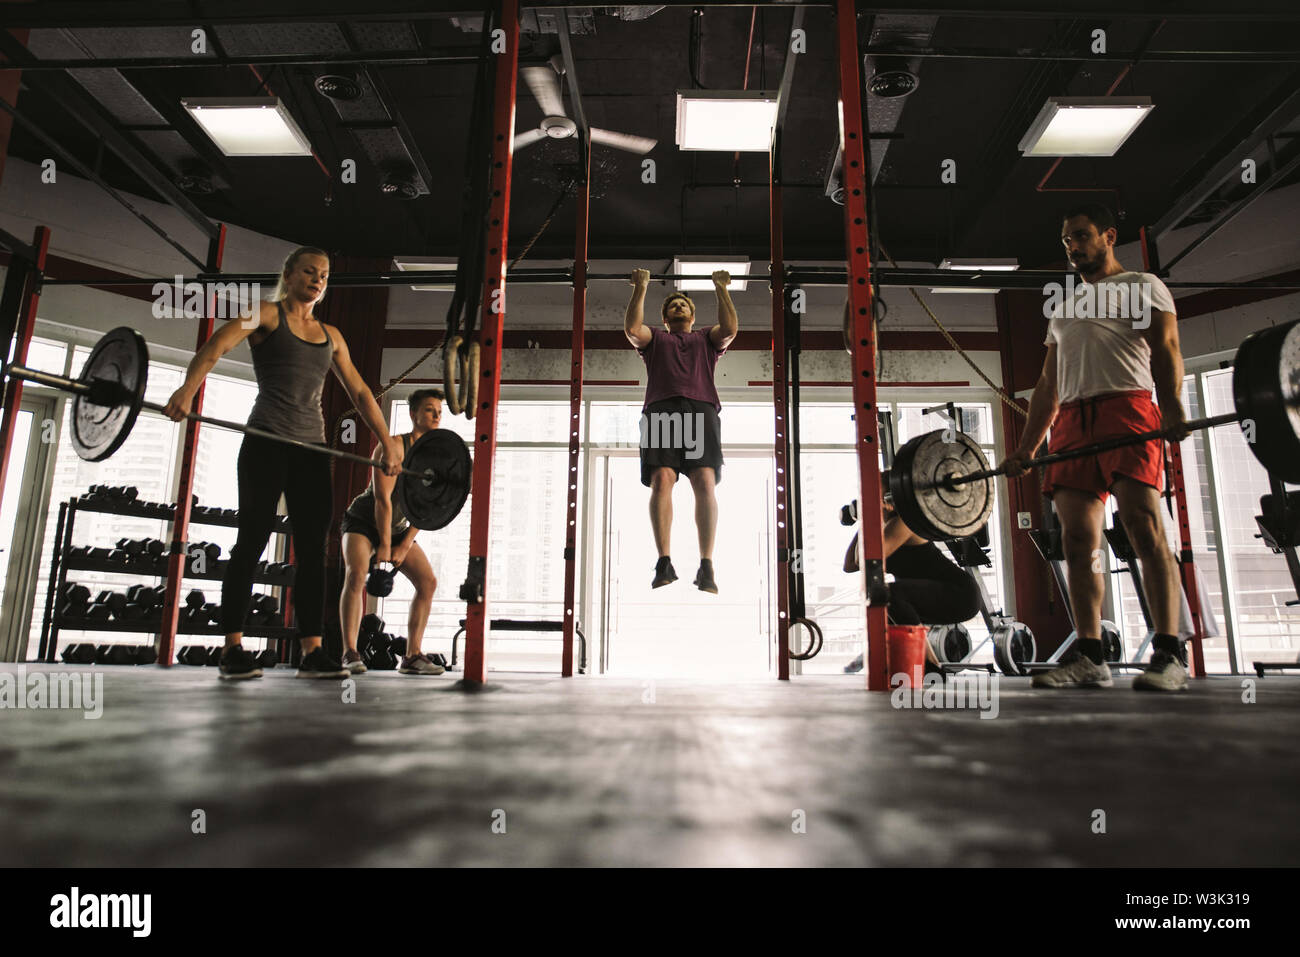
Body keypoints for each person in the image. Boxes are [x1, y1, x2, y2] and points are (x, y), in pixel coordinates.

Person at [163, 247, 404, 681]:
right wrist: (187, 390)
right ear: (289, 274)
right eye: (310, 271)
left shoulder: (331, 335)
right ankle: (233, 649)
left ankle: (311, 651)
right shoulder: (265, 315)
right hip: (266, 442)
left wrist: (388, 442)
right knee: (252, 540)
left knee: (314, 551)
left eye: (325, 275)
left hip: (311, 450)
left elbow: (361, 392)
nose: (318, 280)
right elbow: (217, 346)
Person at [1002, 203, 1189, 692]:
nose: (1073, 247)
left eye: (1082, 236)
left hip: (1125, 410)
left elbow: (1166, 347)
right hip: (1072, 424)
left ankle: (1170, 654)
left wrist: (1171, 408)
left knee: (1143, 528)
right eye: (1067, 241)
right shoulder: (1064, 307)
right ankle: (1091, 656)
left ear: (1108, 236)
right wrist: (1027, 448)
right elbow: (1048, 384)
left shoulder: (1141, 286)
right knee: (1077, 542)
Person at [624, 267, 737, 593]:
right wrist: (640, 287)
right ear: (664, 316)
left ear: (691, 313)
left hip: (701, 410)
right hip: (661, 410)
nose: (678, 306)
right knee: (662, 479)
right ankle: (664, 561)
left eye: (683, 304)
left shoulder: (705, 339)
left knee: (705, 481)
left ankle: (706, 564)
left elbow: (729, 328)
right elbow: (633, 329)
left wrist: (721, 288)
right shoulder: (656, 339)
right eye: (672, 304)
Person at [338, 389, 445, 676]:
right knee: (357, 574)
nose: (435, 415)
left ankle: (412, 656)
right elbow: (382, 500)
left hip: (398, 528)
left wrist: (404, 544)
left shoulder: (436, 459)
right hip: (364, 521)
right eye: (429, 410)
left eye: (438, 411)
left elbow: (428, 508)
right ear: (413, 414)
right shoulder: (393, 447)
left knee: (428, 582)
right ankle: (350, 651)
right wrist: (384, 547)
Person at [842, 484, 981, 675]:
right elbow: (850, 565)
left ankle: (929, 663)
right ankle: (930, 668)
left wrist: (868, 519)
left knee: (889, 594)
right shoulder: (883, 529)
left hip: (960, 594)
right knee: (887, 610)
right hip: (938, 594)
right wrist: (863, 523)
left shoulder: (905, 523)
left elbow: (864, 560)